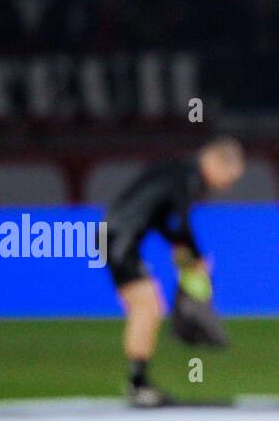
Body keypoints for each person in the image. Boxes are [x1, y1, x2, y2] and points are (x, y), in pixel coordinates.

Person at [100, 138, 244, 406]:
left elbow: (161, 219)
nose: (227, 185)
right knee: (147, 307)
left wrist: (185, 253)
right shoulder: (188, 177)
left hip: (114, 237)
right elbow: (179, 223)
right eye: (229, 177)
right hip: (119, 240)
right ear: (215, 163)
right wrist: (196, 257)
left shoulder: (177, 171)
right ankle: (138, 385)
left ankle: (138, 382)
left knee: (146, 307)